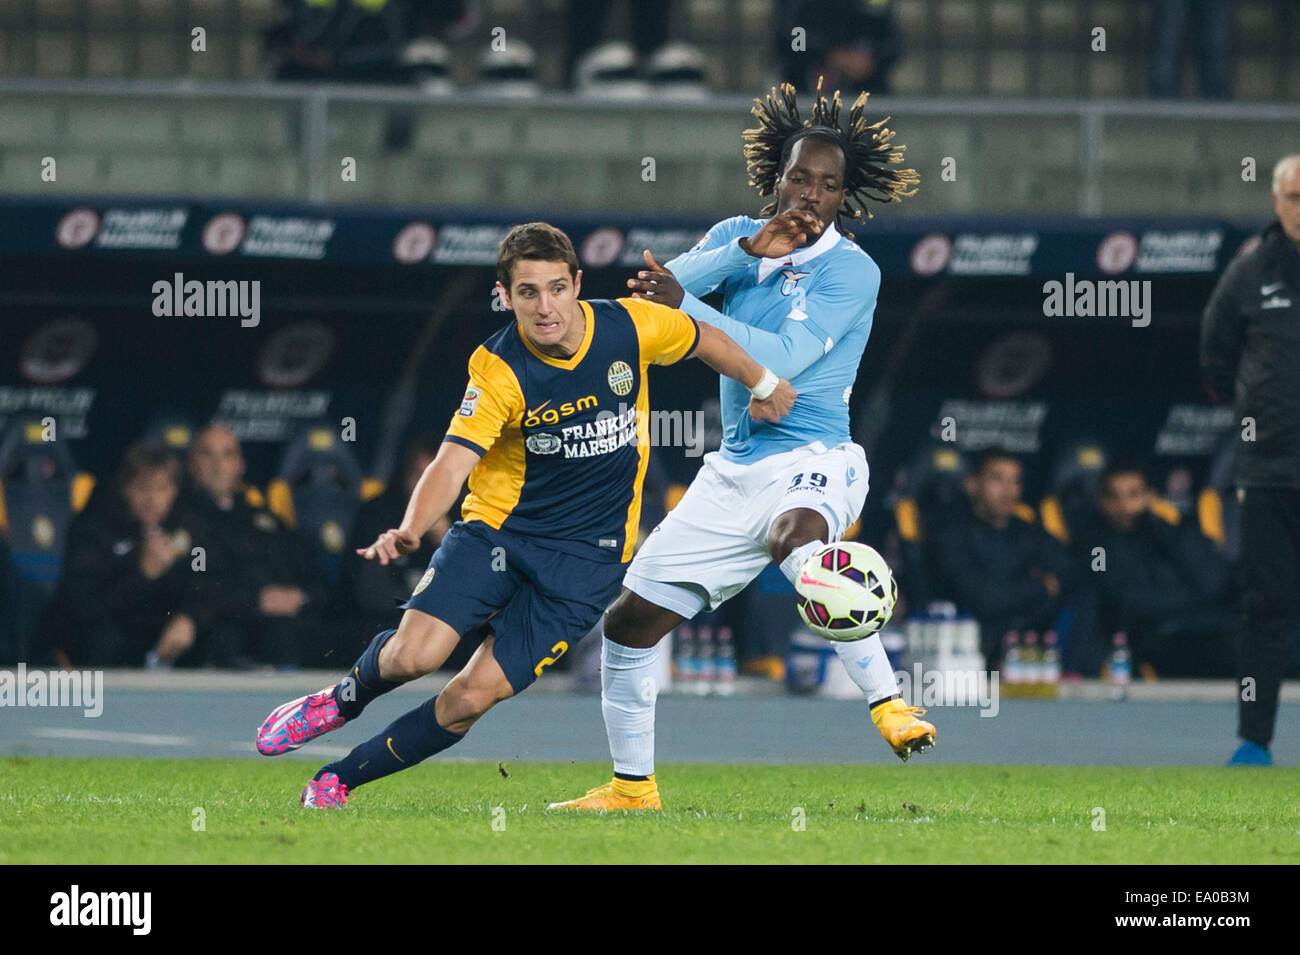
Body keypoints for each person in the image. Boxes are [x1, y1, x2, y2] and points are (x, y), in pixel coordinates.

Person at [254, 221, 796, 808]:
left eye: (557, 288)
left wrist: (764, 381)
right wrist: (411, 528)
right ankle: (340, 700)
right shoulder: (497, 368)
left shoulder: (630, 326)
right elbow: (451, 461)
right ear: (505, 296)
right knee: (416, 656)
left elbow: (704, 339)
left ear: (577, 284)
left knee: (468, 699)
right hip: (499, 535)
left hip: (588, 564)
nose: (545, 307)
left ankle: (338, 779)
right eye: (528, 292)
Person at [550, 80, 926, 814]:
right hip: (731, 473)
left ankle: (889, 702)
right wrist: (748, 251)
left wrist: (687, 308)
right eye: (798, 177)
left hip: (817, 457)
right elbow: (644, 303)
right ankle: (634, 788)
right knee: (627, 623)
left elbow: (780, 356)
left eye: (827, 184)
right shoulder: (736, 237)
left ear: (845, 197)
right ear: (775, 178)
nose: (809, 195)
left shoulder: (852, 270)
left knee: (798, 543)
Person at [1201, 153, 1300, 766]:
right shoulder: (1250, 272)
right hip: (1269, 472)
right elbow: (1215, 353)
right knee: (1266, 605)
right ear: (1275, 202)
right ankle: (1254, 741)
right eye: (1295, 196)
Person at [182, 425, 329, 668]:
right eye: (207, 454)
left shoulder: (265, 521)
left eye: (227, 455)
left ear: (241, 465)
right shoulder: (180, 520)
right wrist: (254, 601)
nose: (218, 465)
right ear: (192, 464)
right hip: (222, 637)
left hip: (283, 634)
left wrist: (301, 598)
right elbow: (191, 589)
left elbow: (316, 579)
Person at [49, 442, 205, 667]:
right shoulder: (93, 528)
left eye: (161, 488)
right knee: (106, 639)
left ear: (174, 492)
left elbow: (208, 584)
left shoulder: (187, 528)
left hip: (163, 635)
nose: (151, 499)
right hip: (108, 636)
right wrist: (141, 573)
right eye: (142, 488)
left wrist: (189, 617)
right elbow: (83, 606)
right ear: (125, 489)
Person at [1074, 460, 1233, 677]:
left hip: (1202, 632)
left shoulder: (1171, 533)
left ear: (1150, 497)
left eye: (1133, 495)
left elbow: (1213, 581)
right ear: (1102, 501)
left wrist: (1163, 528)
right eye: (1114, 497)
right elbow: (1120, 597)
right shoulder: (1096, 547)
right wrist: (1189, 600)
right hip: (1143, 640)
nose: (1124, 506)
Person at [928, 448, 1078, 669]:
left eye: (1015, 482)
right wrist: (1039, 586)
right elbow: (985, 599)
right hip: (962, 662)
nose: (1008, 491)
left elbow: (1071, 571)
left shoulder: (1026, 531)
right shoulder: (951, 534)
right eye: (997, 479)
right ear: (972, 484)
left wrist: (1019, 593)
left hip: (1023, 656)